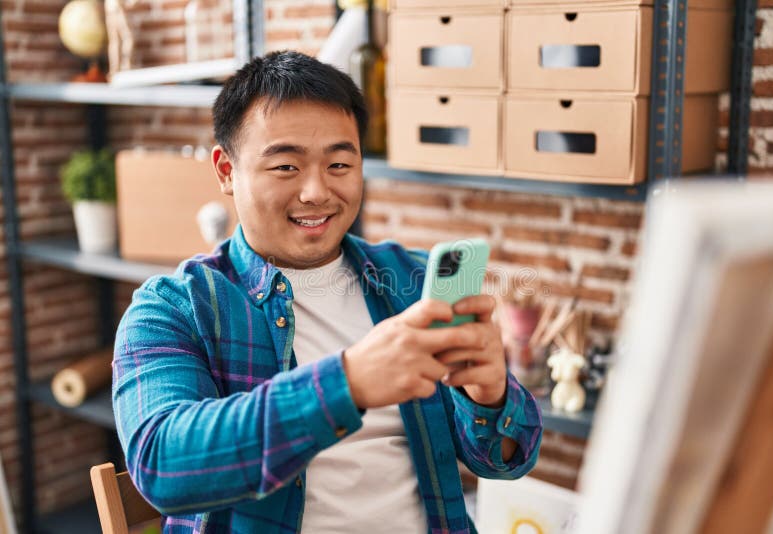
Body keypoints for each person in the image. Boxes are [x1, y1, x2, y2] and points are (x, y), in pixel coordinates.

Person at [113, 50, 543, 533]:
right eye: (286, 167)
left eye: (340, 164)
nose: (318, 191)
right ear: (226, 171)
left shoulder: (411, 281)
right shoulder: (174, 308)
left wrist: (489, 394)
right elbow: (163, 466)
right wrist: (349, 382)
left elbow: (505, 461)